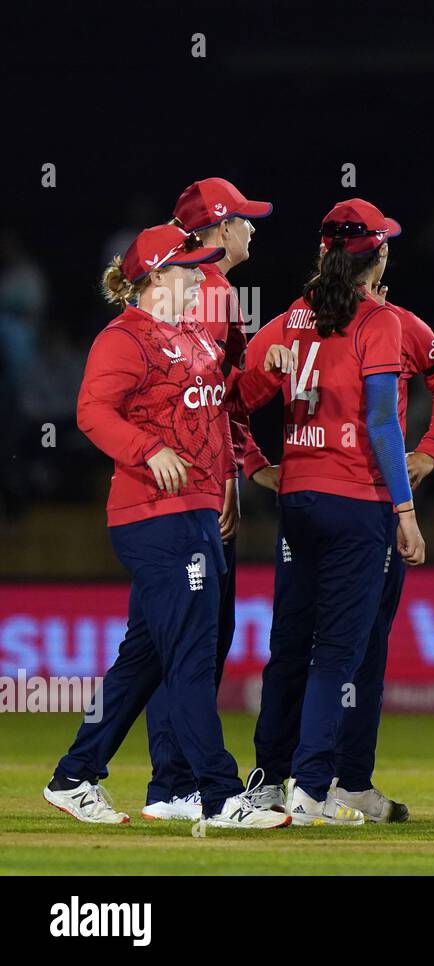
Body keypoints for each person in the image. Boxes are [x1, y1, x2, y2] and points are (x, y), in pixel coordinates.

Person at [43, 224, 289, 830]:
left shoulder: (190, 334)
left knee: (146, 658)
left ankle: (74, 777)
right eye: (189, 269)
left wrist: (267, 374)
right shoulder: (123, 339)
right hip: (155, 515)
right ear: (156, 278)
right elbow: (91, 412)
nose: (200, 277)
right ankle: (218, 794)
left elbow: (222, 400)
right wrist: (147, 450)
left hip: (193, 510)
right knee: (191, 655)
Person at [229, 198, 427, 826]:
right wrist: (405, 507)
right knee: (341, 653)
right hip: (357, 501)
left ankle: (269, 778)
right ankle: (314, 789)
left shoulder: (291, 319)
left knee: (291, 644)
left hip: (300, 502)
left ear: (323, 253)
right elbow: (380, 422)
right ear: (382, 256)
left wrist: (256, 465)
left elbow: (229, 398)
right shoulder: (381, 321)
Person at [140, 177, 275, 821]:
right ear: (219, 230)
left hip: (179, 487)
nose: (252, 229)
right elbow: (204, 395)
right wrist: (227, 472)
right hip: (191, 492)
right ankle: (176, 783)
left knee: (176, 638)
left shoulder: (201, 291)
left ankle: (169, 780)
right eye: (244, 220)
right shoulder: (211, 292)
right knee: (196, 639)